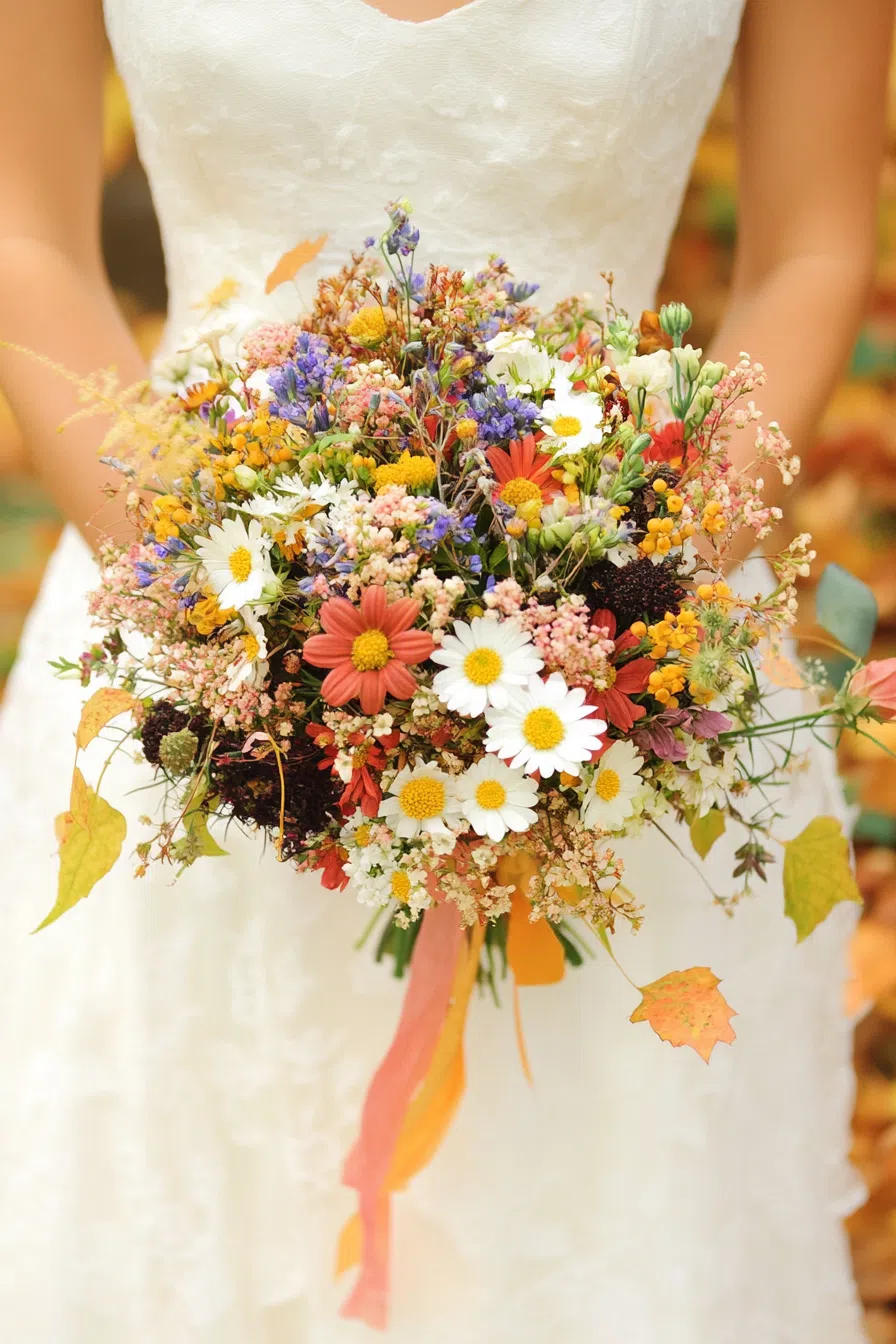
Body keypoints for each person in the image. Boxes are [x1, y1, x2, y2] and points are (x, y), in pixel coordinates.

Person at [0, 1, 891, 1339]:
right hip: (181, 668)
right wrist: (220, 619)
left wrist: (629, 616)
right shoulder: (199, 630)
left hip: (627, 696)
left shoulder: (631, 636)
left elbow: (813, 247)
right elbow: (28, 237)